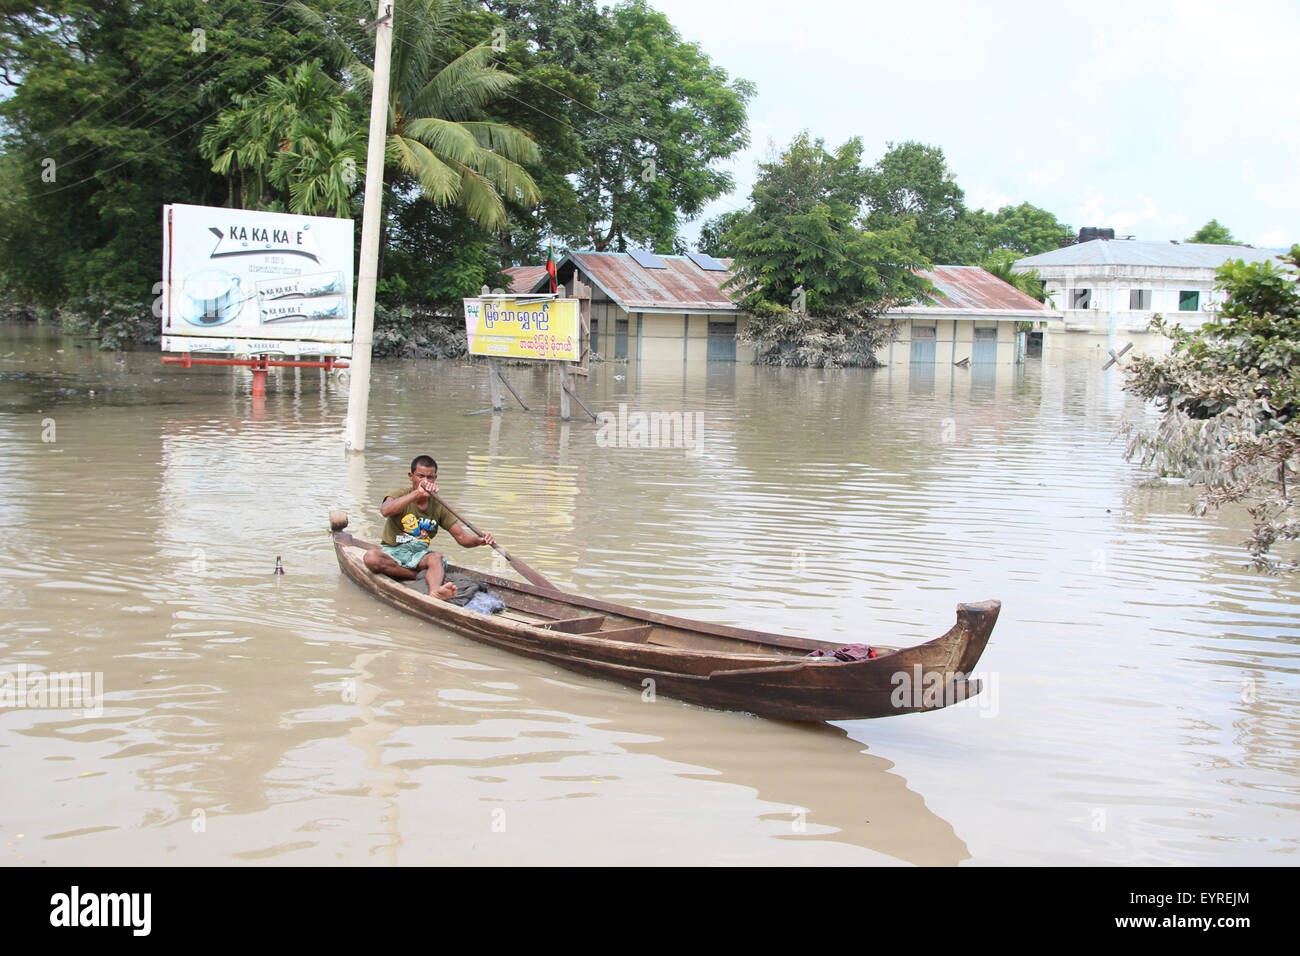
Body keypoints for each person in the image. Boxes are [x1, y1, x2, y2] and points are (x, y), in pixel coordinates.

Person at [362, 455, 495, 600]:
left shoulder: (439, 506)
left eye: (430, 477)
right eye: (420, 476)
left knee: (436, 558)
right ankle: (415, 576)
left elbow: (462, 537)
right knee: (371, 558)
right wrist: (416, 494)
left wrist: (479, 541)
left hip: (419, 556)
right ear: (411, 476)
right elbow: (385, 511)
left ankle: (436, 591)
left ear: (435, 478)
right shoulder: (400, 495)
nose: (425, 481)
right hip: (394, 553)